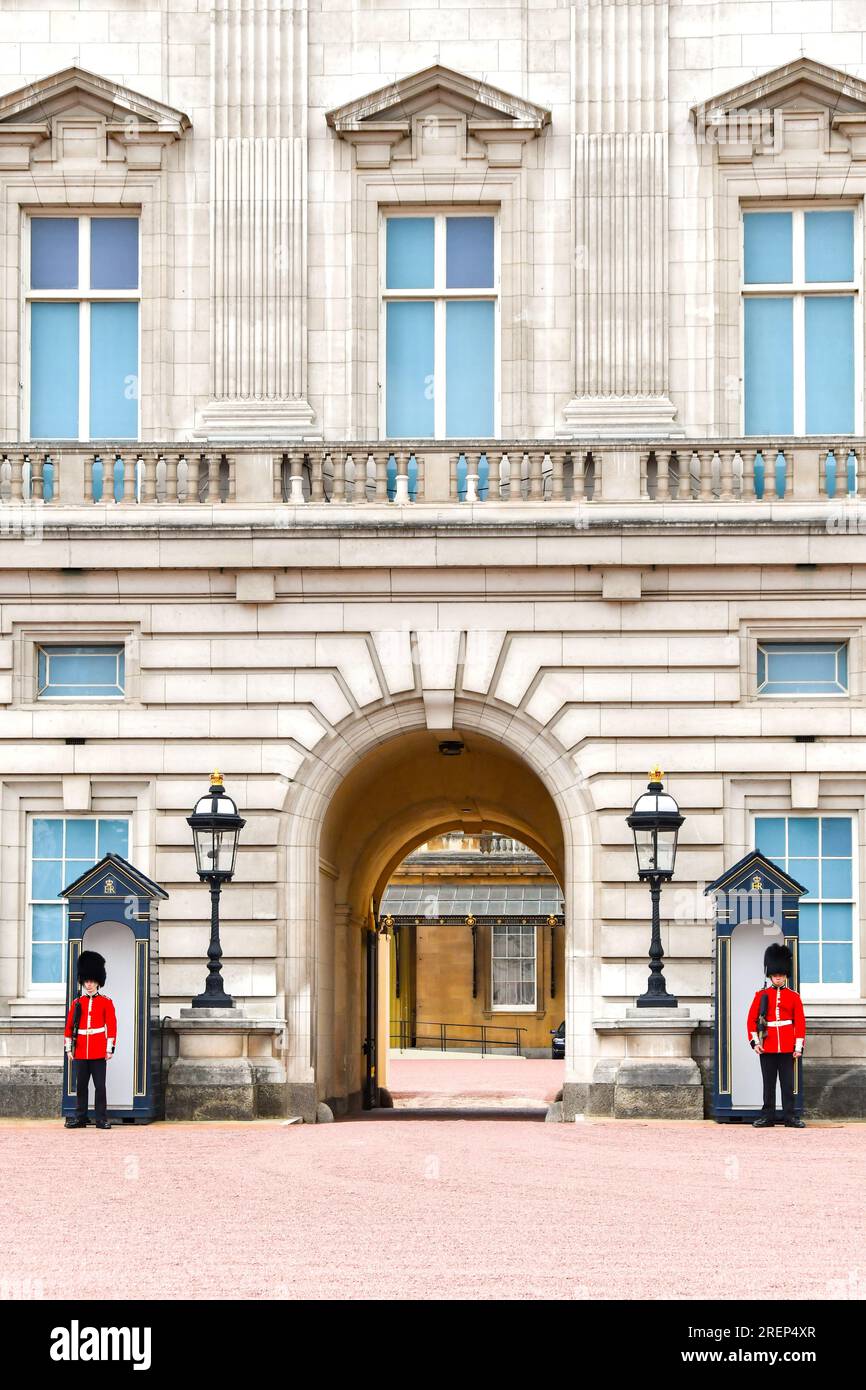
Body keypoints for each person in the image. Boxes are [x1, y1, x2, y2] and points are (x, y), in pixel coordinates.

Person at [747, 941, 806, 1129]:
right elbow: (751, 1020)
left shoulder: (794, 996)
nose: (778, 978)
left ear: (785, 975)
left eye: (781, 975)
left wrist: (798, 1047)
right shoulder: (761, 995)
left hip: (788, 1045)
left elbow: (800, 1023)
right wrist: (755, 1042)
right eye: (775, 975)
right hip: (768, 1044)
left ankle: (790, 1117)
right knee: (768, 1084)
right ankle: (768, 1117)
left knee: (787, 1085)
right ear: (770, 975)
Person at [63, 949, 117, 1130]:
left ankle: (101, 1118)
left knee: (100, 1087)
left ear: (98, 982)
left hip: (98, 1050)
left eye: (92, 981)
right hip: (80, 1050)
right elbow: (69, 1027)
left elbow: (112, 1026)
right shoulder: (77, 1002)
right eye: (87, 981)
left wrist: (109, 1049)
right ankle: (81, 1117)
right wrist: (69, 1049)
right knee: (81, 1087)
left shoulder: (106, 1002)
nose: (89, 984)